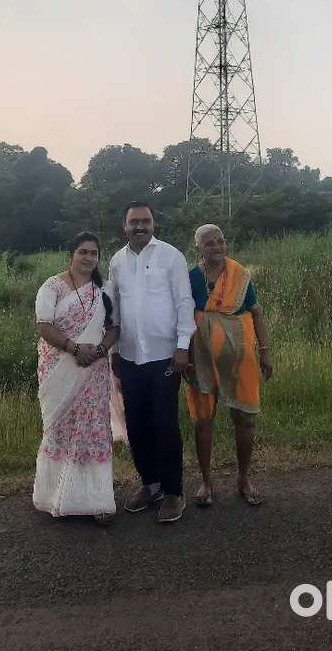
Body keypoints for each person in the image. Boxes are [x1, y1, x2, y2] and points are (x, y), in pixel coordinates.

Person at [110, 202, 195, 524]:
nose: (140, 226)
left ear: (153, 223)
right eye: (134, 221)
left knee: (165, 424)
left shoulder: (171, 256)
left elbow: (184, 302)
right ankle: (151, 483)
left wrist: (182, 347)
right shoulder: (117, 261)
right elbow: (115, 309)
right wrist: (115, 352)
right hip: (130, 355)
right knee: (137, 424)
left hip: (165, 355)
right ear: (125, 225)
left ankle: (174, 492)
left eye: (145, 221)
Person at [33, 232, 119, 524]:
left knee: (92, 431)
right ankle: (57, 496)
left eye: (94, 253)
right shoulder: (52, 286)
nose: (89, 258)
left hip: (93, 368)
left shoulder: (105, 288)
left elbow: (113, 326)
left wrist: (100, 350)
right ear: (72, 253)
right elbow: (45, 326)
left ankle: (97, 500)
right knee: (61, 429)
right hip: (59, 368)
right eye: (83, 252)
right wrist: (73, 348)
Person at [187, 224, 273, 508]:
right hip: (200, 357)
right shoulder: (190, 278)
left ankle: (244, 479)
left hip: (241, 355)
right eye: (210, 242)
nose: (217, 246)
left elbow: (257, 314)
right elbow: (181, 317)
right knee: (202, 421)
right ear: (198, 247)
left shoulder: (241, 275)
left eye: (221, 241)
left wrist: (265, 351)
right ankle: (207, 481)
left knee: (245, 418)